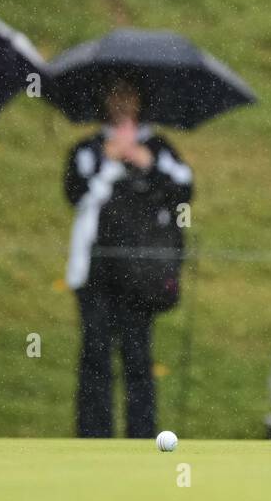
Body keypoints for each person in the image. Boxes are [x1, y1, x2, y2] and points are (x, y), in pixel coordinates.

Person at [64, 81, 193, 439]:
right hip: (96, 270)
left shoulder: (158, 147)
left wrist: (144, 162)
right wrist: (110, 162)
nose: (121, 102)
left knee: (138, 355)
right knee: (95, 356)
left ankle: (142, 435)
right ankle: (93, 437)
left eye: (129, 94)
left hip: (142, 272)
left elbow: (184, 190)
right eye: (114, 94)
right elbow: (75, 193)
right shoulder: (88, 149)